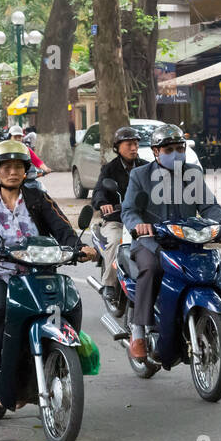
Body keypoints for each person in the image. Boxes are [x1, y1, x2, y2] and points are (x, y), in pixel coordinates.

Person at [0, 140, 96, 404]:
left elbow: (62, 228)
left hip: (37, 272)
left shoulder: (38, 199)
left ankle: (58, 356)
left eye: (18, 167)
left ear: (26, 171)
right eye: (6, 167)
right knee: (1, 307)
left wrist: (80, 247)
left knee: (69, 303)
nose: (13, 172)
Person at [121, 124, 221, 360]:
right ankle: (139, 331)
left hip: (187, 241)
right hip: (151, 242)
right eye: (168, 149)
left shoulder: (192, 173)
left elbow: (209, 205)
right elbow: (129, 210)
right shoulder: (140, 175)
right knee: (151, 269)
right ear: (155, 151)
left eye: (179, 148)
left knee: (209, 270)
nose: (175, 153)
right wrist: (138, 226)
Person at [92, 126, 148, 307]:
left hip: (142, 220)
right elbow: (99, 190)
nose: (134, 148)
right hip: (116, 220)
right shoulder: (109, 169)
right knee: (116, 241)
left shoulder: (146, 166)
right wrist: (103, 203)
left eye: (136, 144)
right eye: (129, 144)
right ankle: (109, 284)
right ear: (118, 147)